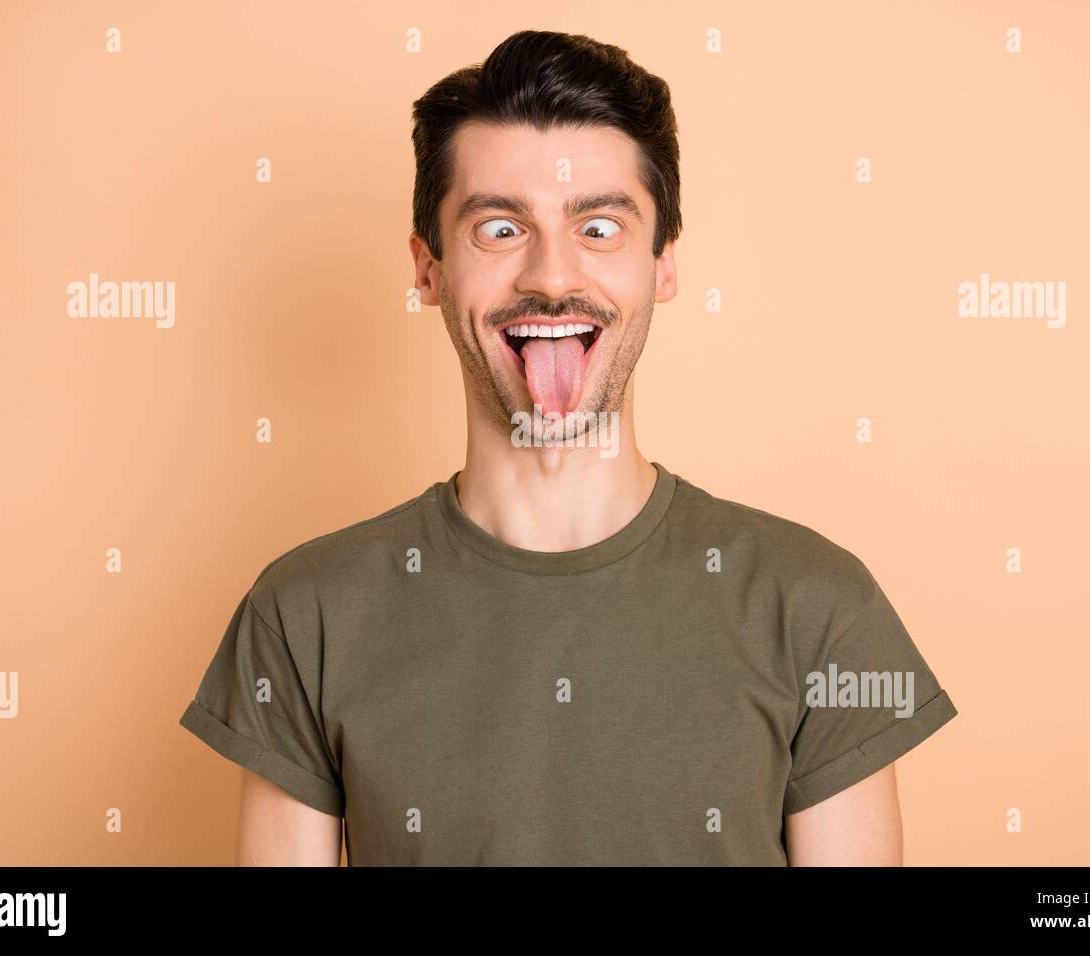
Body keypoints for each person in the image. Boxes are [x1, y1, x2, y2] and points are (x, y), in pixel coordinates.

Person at [179, 29, 958, 866]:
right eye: (501, 229)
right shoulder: (306, 614)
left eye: (598, 227)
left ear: (661, 265)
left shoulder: (816, 607)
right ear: (428, 270)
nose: (552, 277)